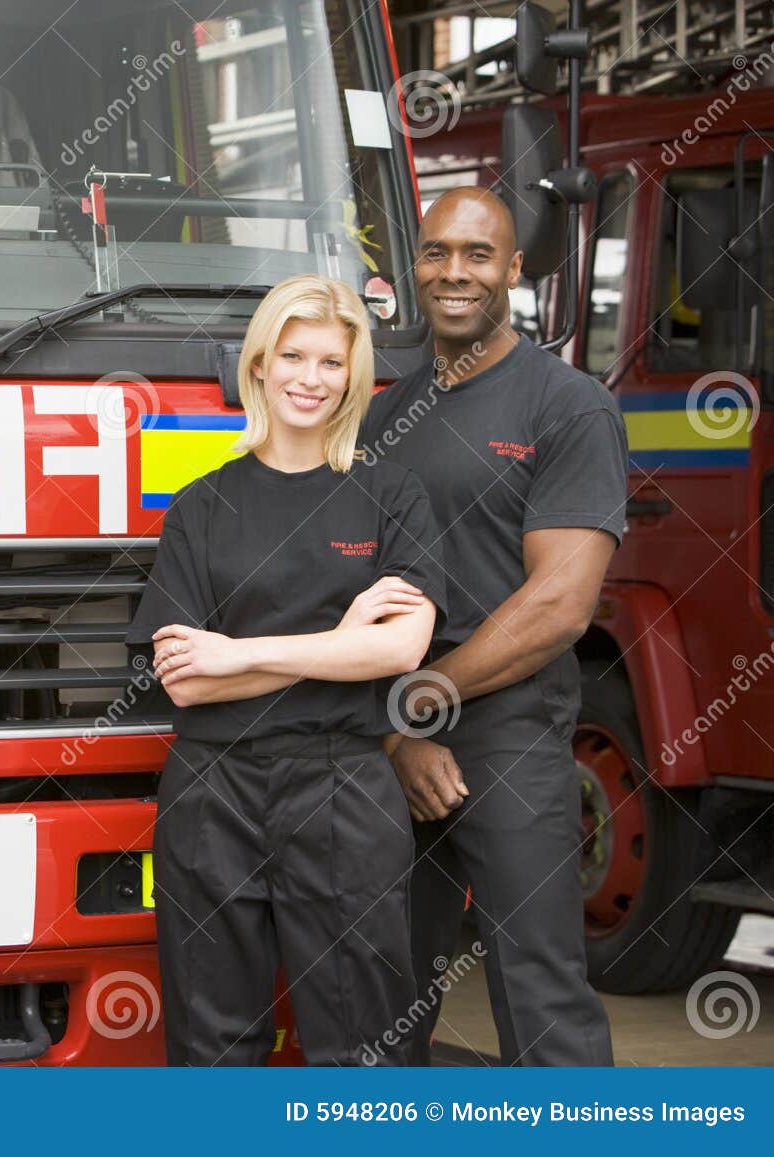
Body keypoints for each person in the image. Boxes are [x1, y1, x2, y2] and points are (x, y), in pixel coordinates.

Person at [127, 273, 448, 1066]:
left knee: (362, 1041)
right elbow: (186, 680)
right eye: (293, 356)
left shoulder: (391, 495)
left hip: (344, 786)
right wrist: (337, 643)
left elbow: (398, 650)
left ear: (355, 376)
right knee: (213, 1043)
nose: (311, 378)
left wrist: (241, 650)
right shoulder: (201, 505)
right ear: (260, 364)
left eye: (332, 362)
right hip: (213, 796)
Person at [360, 187, 625, 1066]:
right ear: (416, 269)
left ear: (515, 271)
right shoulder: (385, 415)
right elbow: (349, 587)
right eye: (437, 253)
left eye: (479, 255)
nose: (455, 273)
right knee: (384, 991)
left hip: (506, 728)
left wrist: (425, 700)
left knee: (539, 990)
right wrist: (398, 733)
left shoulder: (566, 405)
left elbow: (559, 605)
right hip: (393, 729)